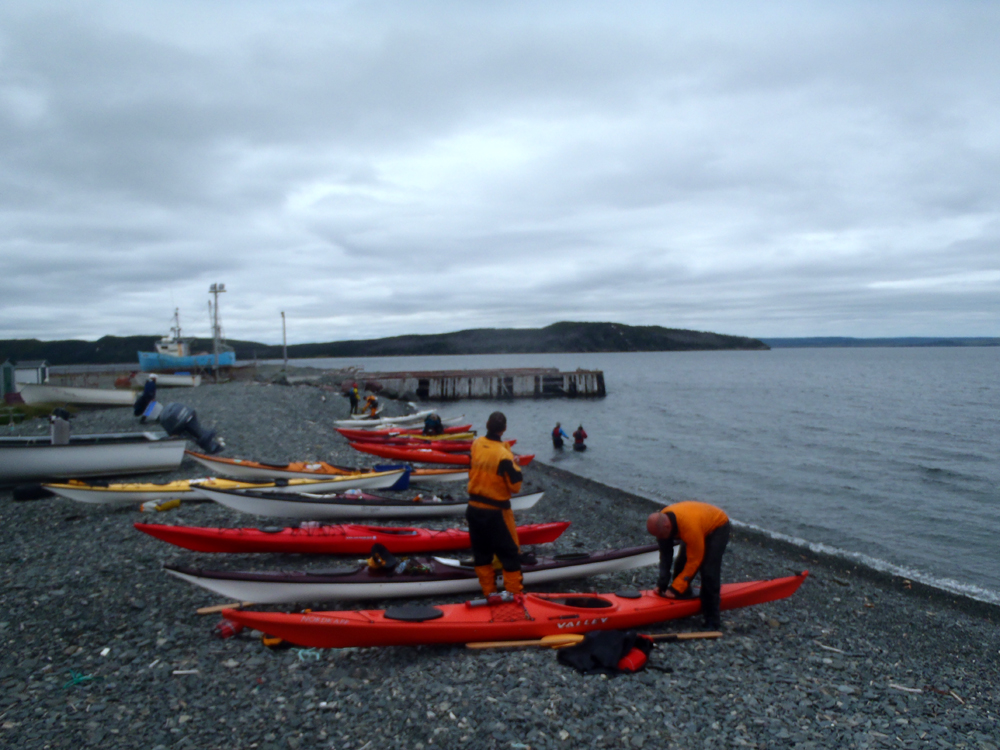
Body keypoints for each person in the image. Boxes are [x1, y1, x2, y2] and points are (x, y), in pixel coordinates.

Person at [646, 501, 731, 630]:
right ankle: (684, 596)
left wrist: (675, 589)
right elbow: (665, 556)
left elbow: (695, 560)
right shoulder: (661, 525)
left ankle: (712, 620)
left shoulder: (689, 528)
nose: (660, 538)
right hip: (697, 523)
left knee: (708, 571)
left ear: (667, 526)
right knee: (680, 563)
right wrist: (662, 584)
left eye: (661, 535)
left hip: (717, 527)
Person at [466, 411, 524, 596]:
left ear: (487, 424)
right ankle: (514, 596)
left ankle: (489, 593)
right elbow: (516, 486)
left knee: (482, 554)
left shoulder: (476, 444)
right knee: (510, 554)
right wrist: (515, 463)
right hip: (496, 512)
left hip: (474, 509)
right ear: (504, 429)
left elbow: (474, 465)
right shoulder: (504, 455)